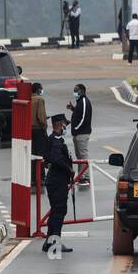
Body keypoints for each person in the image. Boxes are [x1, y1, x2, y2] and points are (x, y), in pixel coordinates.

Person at [42, 112, 75, 254]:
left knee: (56, 211)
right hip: (57, 180)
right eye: (65, 124)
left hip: (55, 180)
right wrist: (69, 168)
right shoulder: (55, 140)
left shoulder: (55, 139)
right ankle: (55, 243)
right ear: (60, 124)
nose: (66, 126)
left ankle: (49, 243)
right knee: (59, 211)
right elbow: (55, 158)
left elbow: (47, 158)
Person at [67, 83, 92, 187]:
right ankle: (80, 176)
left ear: (82, 91)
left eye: (76, 90)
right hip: (77, 133)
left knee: (83, 155)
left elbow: (84, 118)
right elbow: (78, 113)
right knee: (79, 157)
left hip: (82, 133)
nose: (75, 92)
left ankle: (86, 177)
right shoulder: (80, 102)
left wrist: (76, 128)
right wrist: (72, 108)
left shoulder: (85, 101)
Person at [30, 81, 48, 159]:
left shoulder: (29, 99)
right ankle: (40, 171)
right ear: (38, 90)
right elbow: (40, 116)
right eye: (41, 89)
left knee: (33, 152)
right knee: (40, 154)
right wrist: (45, 125)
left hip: (30, 129)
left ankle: (33, 170)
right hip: (38, 129)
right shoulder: (39, 99)